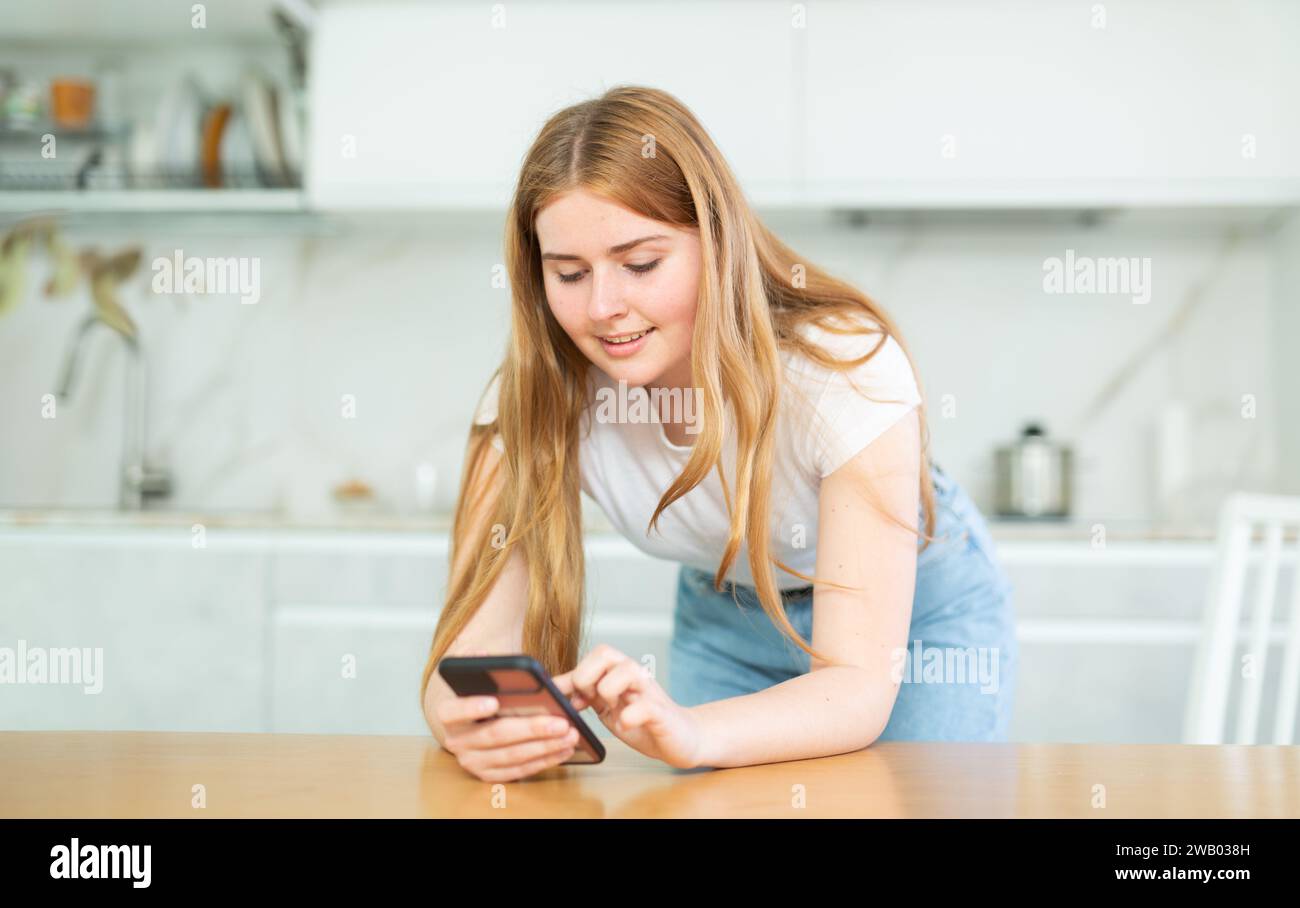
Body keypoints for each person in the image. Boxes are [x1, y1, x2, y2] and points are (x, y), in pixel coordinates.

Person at [421, 86, 1017, 782]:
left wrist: (693, 732)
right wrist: (466, 719)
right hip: (728, 610)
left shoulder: (843, 370)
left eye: (641, 264)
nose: (605, 308)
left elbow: (855, 686)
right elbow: (467, 653)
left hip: (915, 618)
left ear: (717, 243)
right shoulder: (537, 401)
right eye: (570, 274)